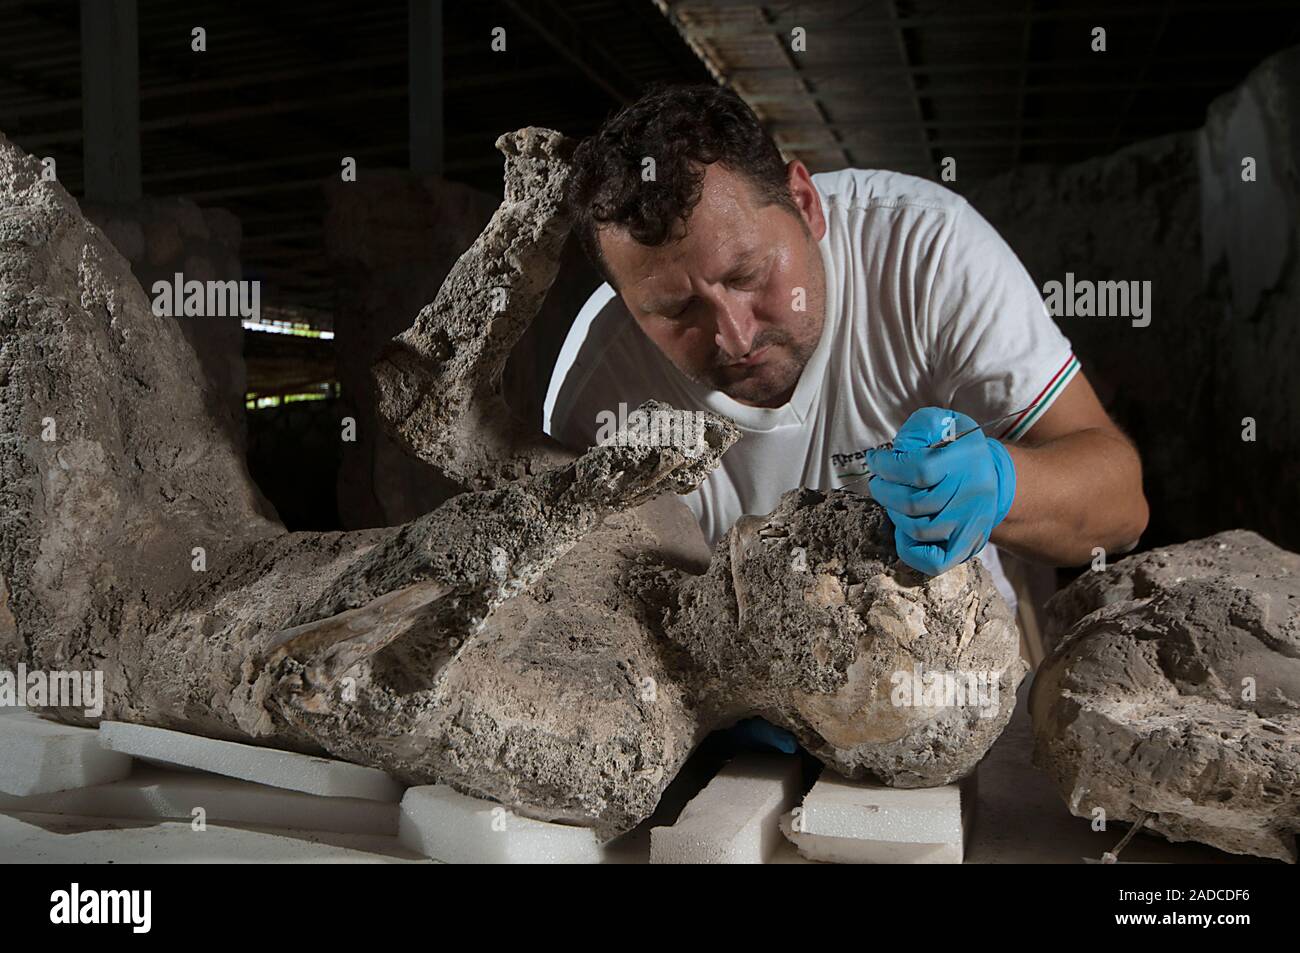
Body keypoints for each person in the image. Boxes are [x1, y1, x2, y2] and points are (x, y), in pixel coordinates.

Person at [544, 84, 1149, 750]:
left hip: (956, 701)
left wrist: (1002, 484)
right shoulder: (596, 397)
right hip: (733, 738)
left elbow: (1122, 506)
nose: (735, 336)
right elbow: (587, 628)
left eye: (747, 274)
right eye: (674, 311)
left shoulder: (927, 250)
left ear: (805, 203)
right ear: (627, 303)